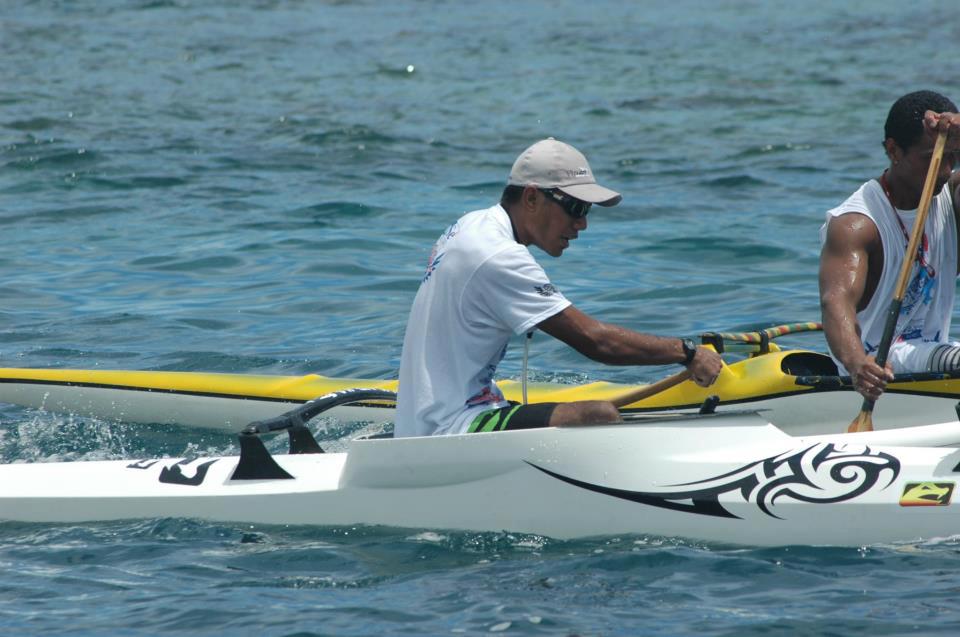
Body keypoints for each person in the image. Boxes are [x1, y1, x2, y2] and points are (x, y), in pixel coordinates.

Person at [395, 138, 723, 437]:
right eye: (576, 208)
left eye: (587, 210)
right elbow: (598, 343)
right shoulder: (499, 255)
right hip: (452, 426)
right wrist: (687, 353)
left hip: (426, 417)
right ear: (532, 197)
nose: (582, 224)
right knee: (598, 415)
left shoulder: (471, 225)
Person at [819, 90, 960, 401]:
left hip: (932, 359)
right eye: (933, 157)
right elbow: (836, 301)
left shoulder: (952, 198)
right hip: (877, 366)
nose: (947, 168)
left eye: (954, 156)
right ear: (893, 150)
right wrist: (857, 364)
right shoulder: (858, 223)